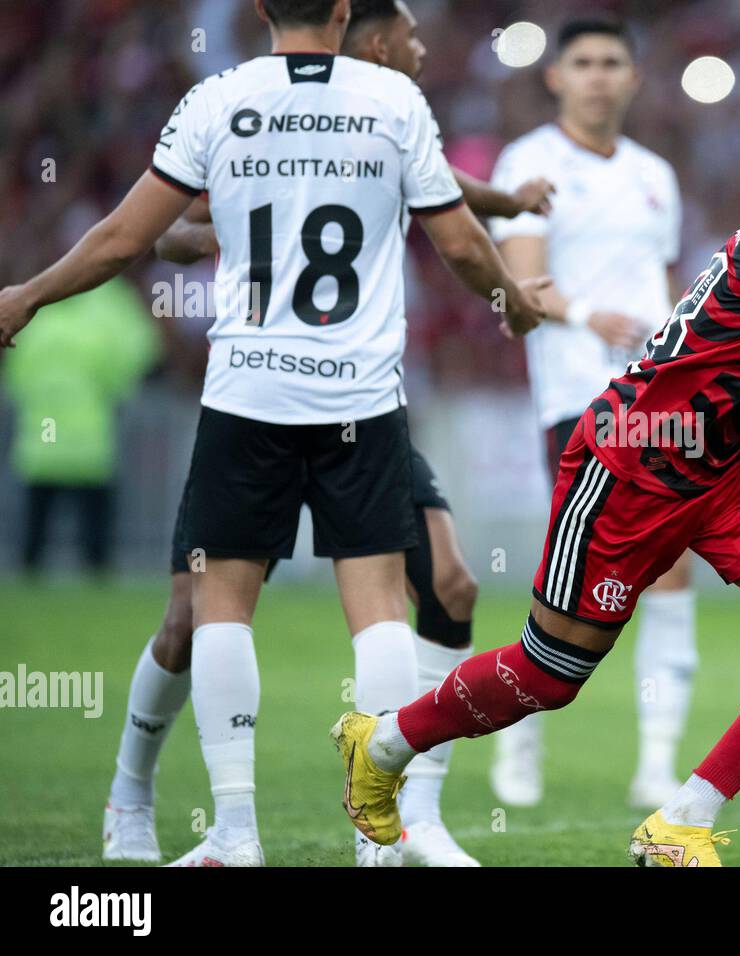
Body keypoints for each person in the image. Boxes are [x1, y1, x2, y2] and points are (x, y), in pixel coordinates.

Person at [331, 77, 740, 866]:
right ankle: (382, 743)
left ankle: (681, 821)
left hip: (725, 464)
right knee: (549, 673)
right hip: (634, 460)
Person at [0, 0, 547, 867]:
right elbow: (463, 246)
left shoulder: (218, 99)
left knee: (220, 609)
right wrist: (511, 302)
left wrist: (28, 293)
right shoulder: (393, 102)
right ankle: (375, 835)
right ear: (345, 11)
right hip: (358, 399)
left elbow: (123, 238)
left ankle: (234, 833)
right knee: (378, 613)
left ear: (257, 8)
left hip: (248, 392)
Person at [488, 15, 696, 810]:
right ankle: (517, 726)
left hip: (659, 395)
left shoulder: (654, 173)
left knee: (671, 567)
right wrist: (586, 317)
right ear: (556, 77)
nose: (599, 75)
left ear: (633, 78)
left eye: (613, 61)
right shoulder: (528, 162)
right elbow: (523, 283)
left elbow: (662, 284)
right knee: (575, 578)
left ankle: (656, 763)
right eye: (583, 62)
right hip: (578, 393)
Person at [3, 278, 159, 576]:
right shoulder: (107, 307)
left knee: (34, 540)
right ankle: (97, 580)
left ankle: (30, 576)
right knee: (95, 545)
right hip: (90, 444)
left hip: (40, 445)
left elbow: (15, 375)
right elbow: (132, 359)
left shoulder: (36, 312)